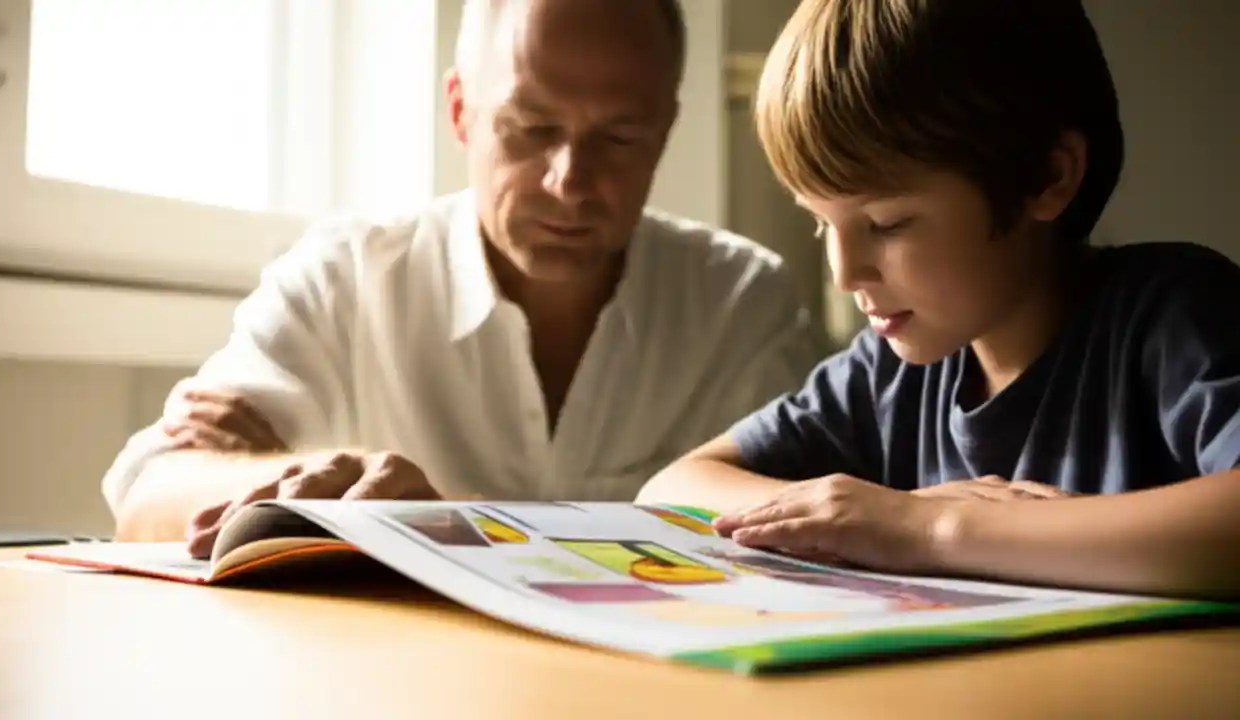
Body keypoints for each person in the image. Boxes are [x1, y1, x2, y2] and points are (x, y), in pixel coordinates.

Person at [103, 0, 817, 557]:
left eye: (620, 137)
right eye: (531, 128)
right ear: (460, 113)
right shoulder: (347, 280)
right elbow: (148, 494)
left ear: (665, 129)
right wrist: (336, 481)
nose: (570, 182)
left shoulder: (742, 305)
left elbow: (802, 537)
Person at [637, 0, 1240, 599]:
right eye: (822, 223)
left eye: (889, 222)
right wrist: (870, 514)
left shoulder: (1173, 319)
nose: (845, 273)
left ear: (1047, 177)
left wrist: (930, 528)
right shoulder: (885, 377)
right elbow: (673, 487)